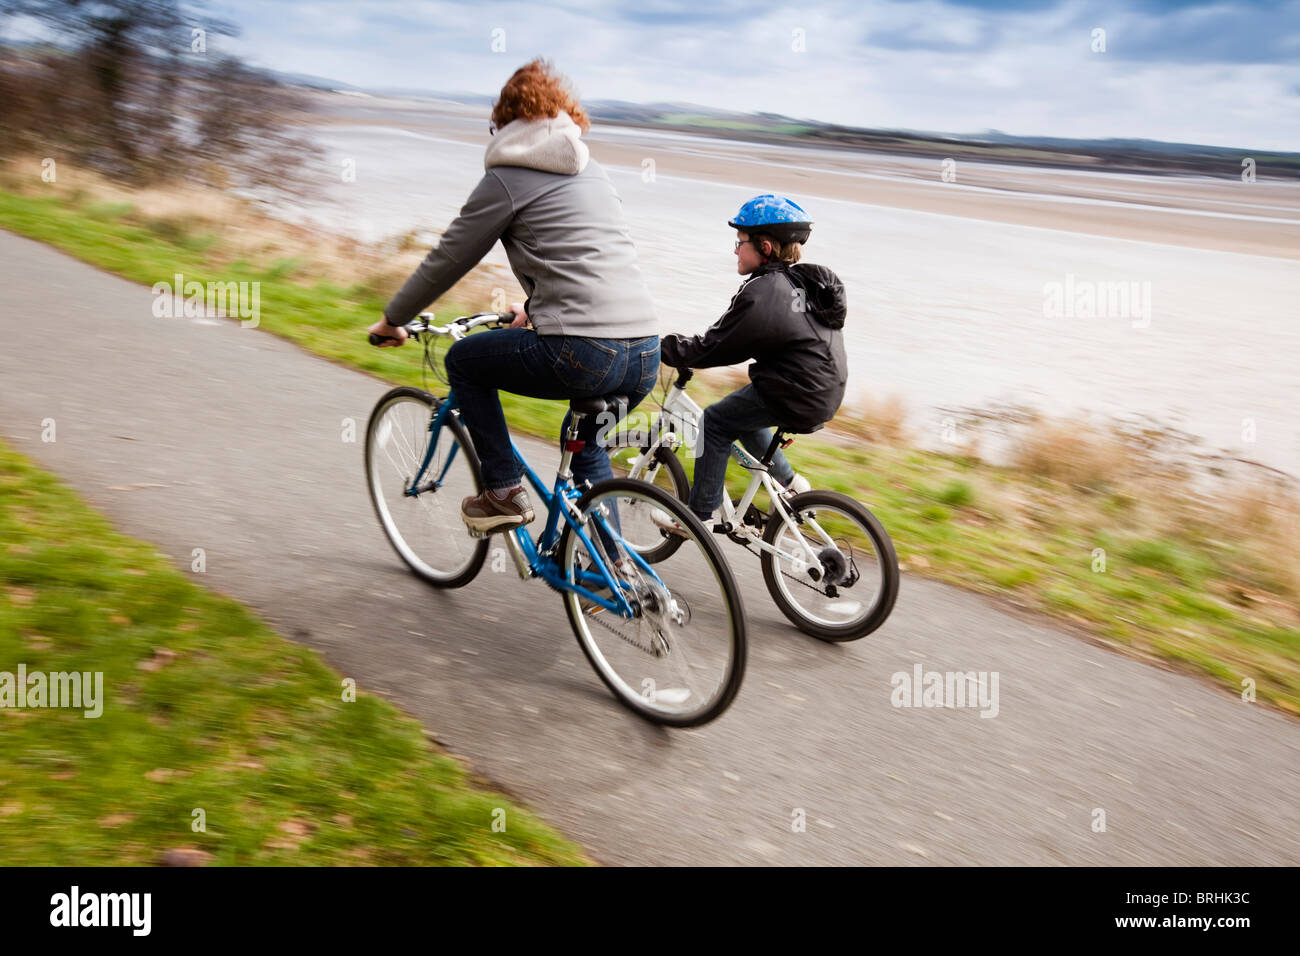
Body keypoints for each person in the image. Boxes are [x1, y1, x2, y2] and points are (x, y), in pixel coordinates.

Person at [367, 59, 659, 534]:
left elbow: (449, 258)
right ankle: (619, 579)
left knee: (464, 361)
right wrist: (535, 308)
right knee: (588, 452)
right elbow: (589, 258)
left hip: (584, 349)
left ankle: (502, 490)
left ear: (504, 121)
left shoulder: (506, 177)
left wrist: (393, 318)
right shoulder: (594, 171)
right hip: (645, 350)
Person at [659, 194, 847, 527]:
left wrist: (660, 347)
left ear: (765, 247)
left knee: (715, 423)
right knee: (745, 414)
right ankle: (791, 485)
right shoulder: (797, 283)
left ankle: (697, 518)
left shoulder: (763, 293)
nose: (734, 249)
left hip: (798, 392)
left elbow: (713, 348)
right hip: (823, 389)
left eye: (740, 241)